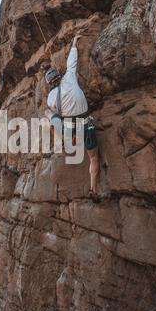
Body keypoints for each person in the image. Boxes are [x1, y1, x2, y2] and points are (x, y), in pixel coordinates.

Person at [42, 35, 100, 202]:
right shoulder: (69, 77)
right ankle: (93, 189)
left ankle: (66, 140)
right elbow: (71, 62)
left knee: (48, 113)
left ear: (49, 83)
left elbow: (54, 113)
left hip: (71, 126)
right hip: (86, 121)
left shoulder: (50, 98)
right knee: (94, 158)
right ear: (59, 77)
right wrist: (74, 42)